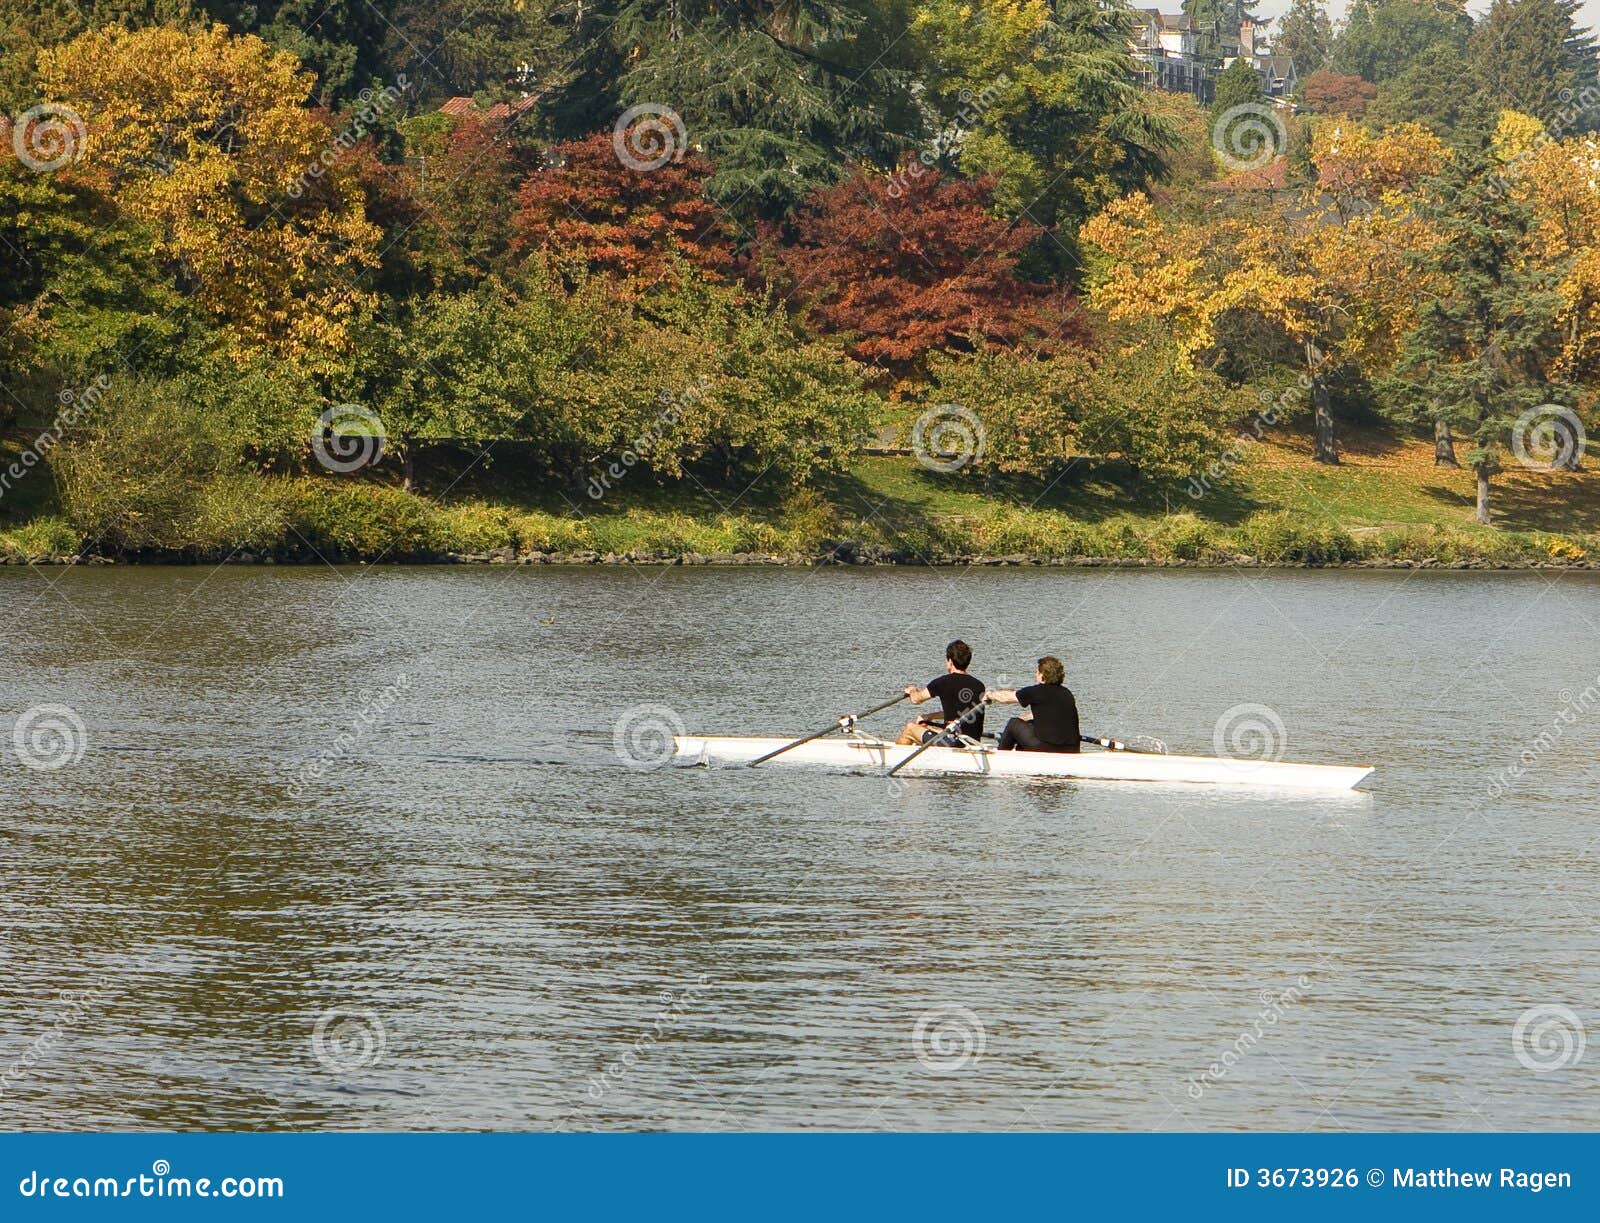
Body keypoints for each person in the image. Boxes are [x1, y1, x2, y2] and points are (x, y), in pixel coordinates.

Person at [897, 640, 987, 745]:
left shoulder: (943, 682)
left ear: (950, 661)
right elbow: (958, 713)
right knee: (923, 725)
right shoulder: (979, 685)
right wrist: (929, 716)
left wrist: (912, 690)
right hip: (973, 741)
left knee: (910, 728)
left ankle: (895, 757)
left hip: (953, 741)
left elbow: (916, 699)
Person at [988, 656, 1080, 752]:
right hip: (1072, 748)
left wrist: (990, 695)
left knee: (1014, 724)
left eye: (1037, 672)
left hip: (1048, 747)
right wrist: (1023, 720)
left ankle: (1001, 755)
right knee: (1029, 724)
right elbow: (1047, 715)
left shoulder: (1036, 691)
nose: (1035, 675)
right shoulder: (1067, 693)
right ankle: (1020, 751)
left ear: (1042, 675)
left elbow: (1006, 698)